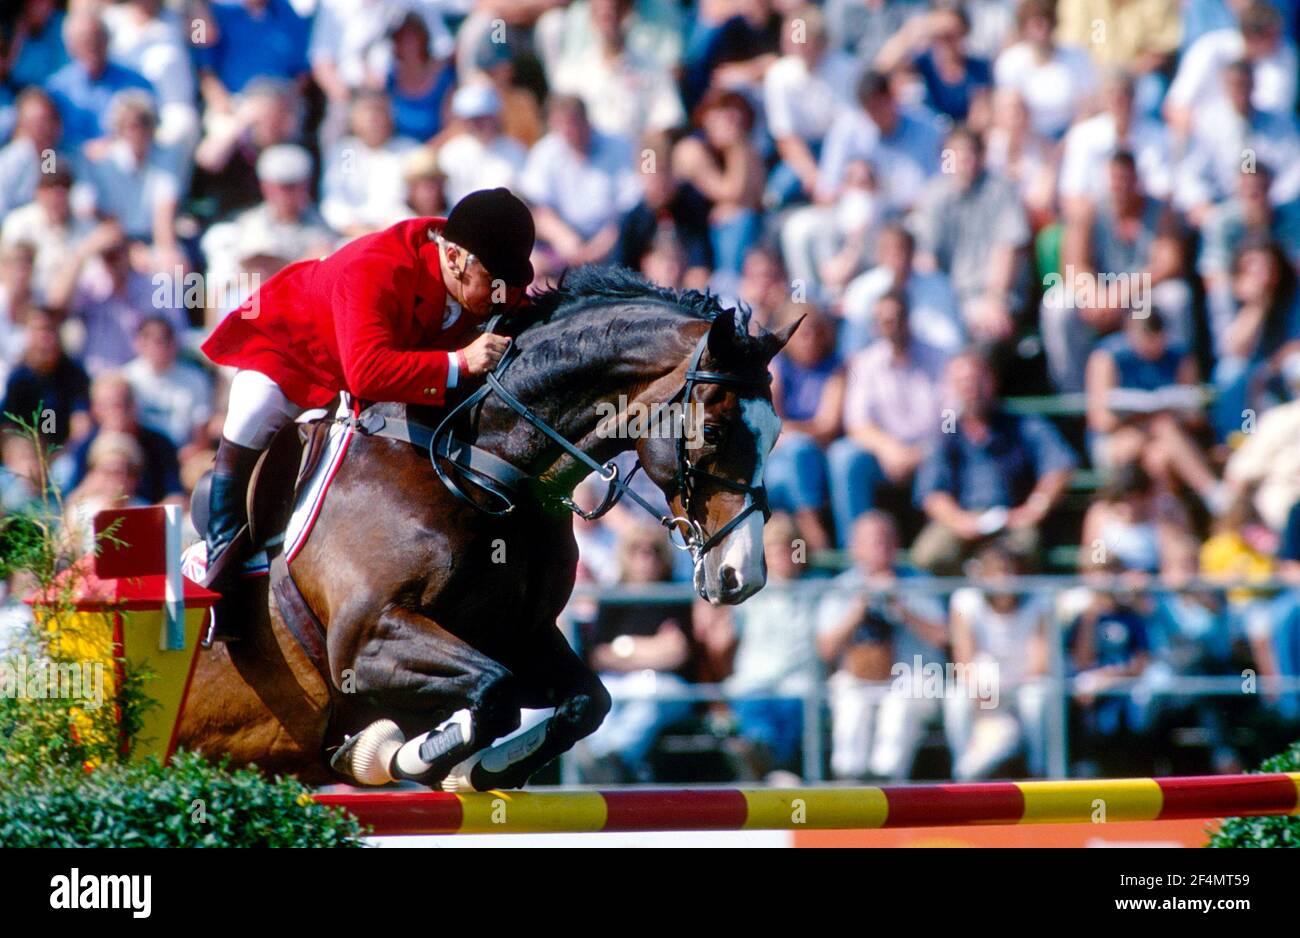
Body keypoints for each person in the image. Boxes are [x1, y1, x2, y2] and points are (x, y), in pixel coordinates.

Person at [198, 188, 536, 642]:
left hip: (373, 380)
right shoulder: (375, 267)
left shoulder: (485, 282)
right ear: (455, 258)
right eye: (497, 281)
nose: (506, 294)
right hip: (297, 356)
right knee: (250, 412)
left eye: (513, 284)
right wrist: (460, 363)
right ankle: (221, 572)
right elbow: (366, 372)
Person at [912, 353, 1077, 574]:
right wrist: (960, 521)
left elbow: (1059, 467)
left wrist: (1032, 509)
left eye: (976, 381)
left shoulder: (1021, 424)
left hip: (1010, 518)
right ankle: (965, 593)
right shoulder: (947, 431)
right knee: (929, 554)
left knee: (1026, 547)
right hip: (963, 518)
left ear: (991, 381)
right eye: (962, 383)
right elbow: (932, 492)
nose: (970, 389)